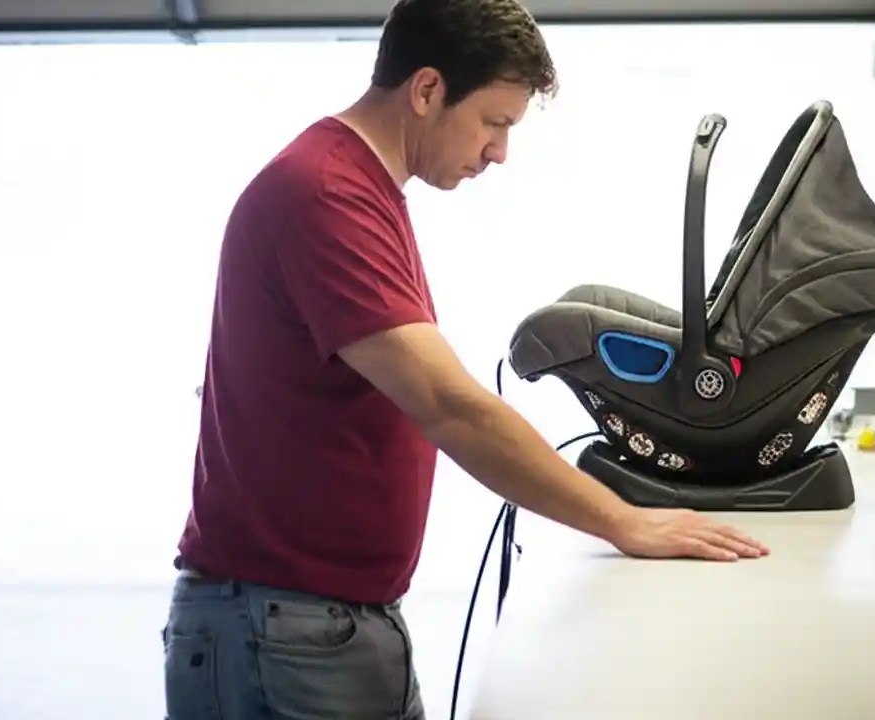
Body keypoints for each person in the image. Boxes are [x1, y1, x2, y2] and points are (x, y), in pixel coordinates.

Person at [160, 0, 769, 718]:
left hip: (314, 621)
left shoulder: (358, 190)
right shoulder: (325, 196)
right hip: (283, 630)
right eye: (494, 122)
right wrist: (623, 521)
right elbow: (447, 404)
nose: (499, 151)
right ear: (426, 90)